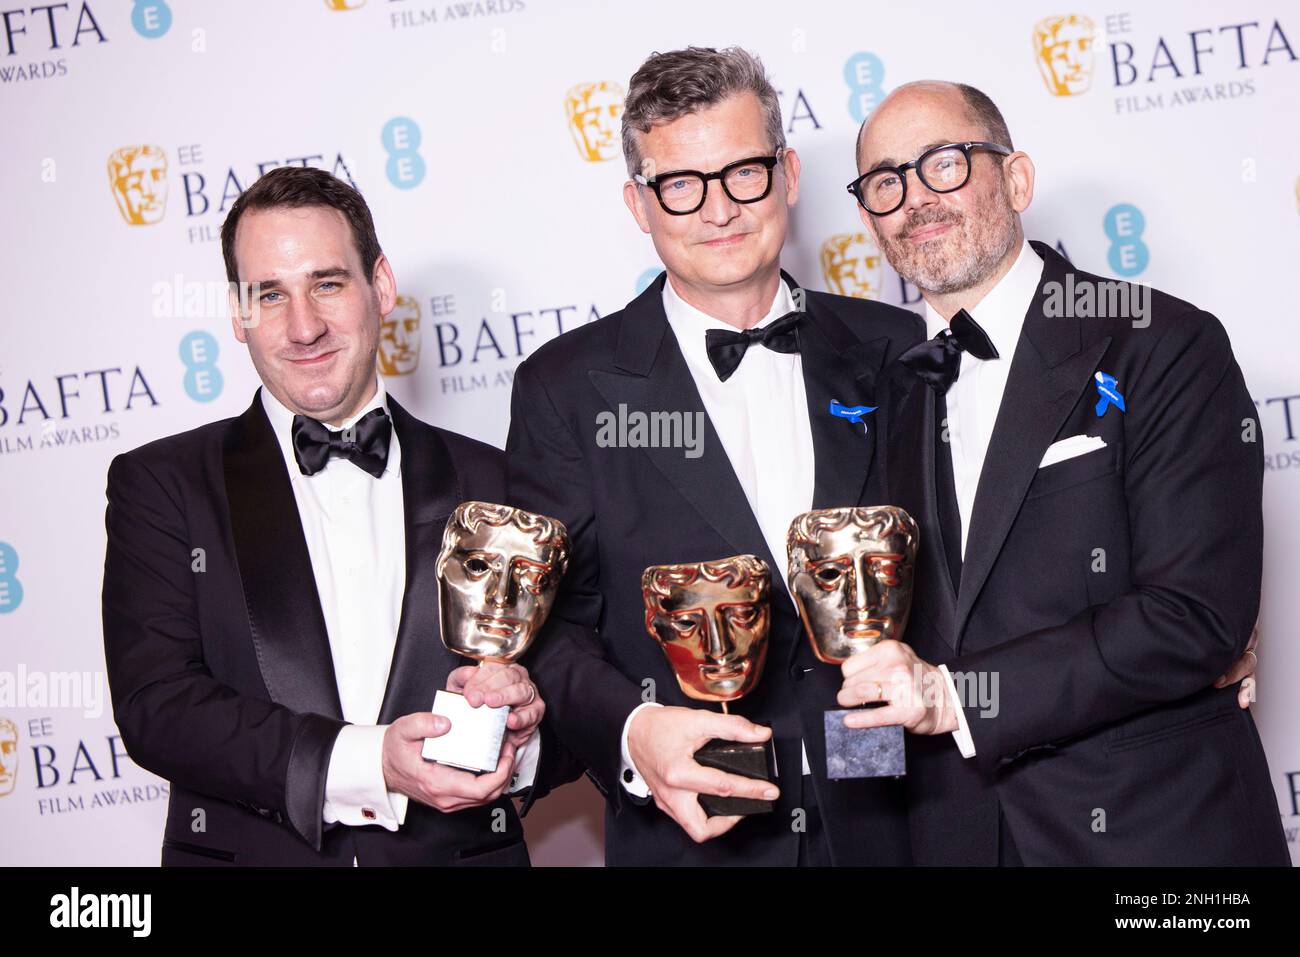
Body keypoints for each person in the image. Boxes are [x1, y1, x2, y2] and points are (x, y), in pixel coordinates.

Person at [838, 80, 1283, 865]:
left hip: (1155, 841)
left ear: (1016, 180)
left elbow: (1195, 616)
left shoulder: (1162, 345)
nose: (914, 198)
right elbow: (871, 652)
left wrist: (959, 696)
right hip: (956, 839)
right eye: (885, 182)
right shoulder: (884, 397)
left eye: (943, 163)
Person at [506, 47, 923, 865]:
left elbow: (972, 559)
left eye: (743, 173)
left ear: (790, 173)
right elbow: (547, 628)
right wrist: (634, 731)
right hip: (695, 842)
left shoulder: (898, 346)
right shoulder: (565, 388)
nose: (718, 209)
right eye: (680, 185)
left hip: (902, 826)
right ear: (638, 202)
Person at [102, 166, 571, 865]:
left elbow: (573, 689)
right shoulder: (163, 486)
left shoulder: (497, 480)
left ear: (380, 285)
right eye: (270, 294)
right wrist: (369, 761)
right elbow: (158, 707)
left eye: (327, 283)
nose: (304, 326)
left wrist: (526, 732)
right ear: (237, 313)